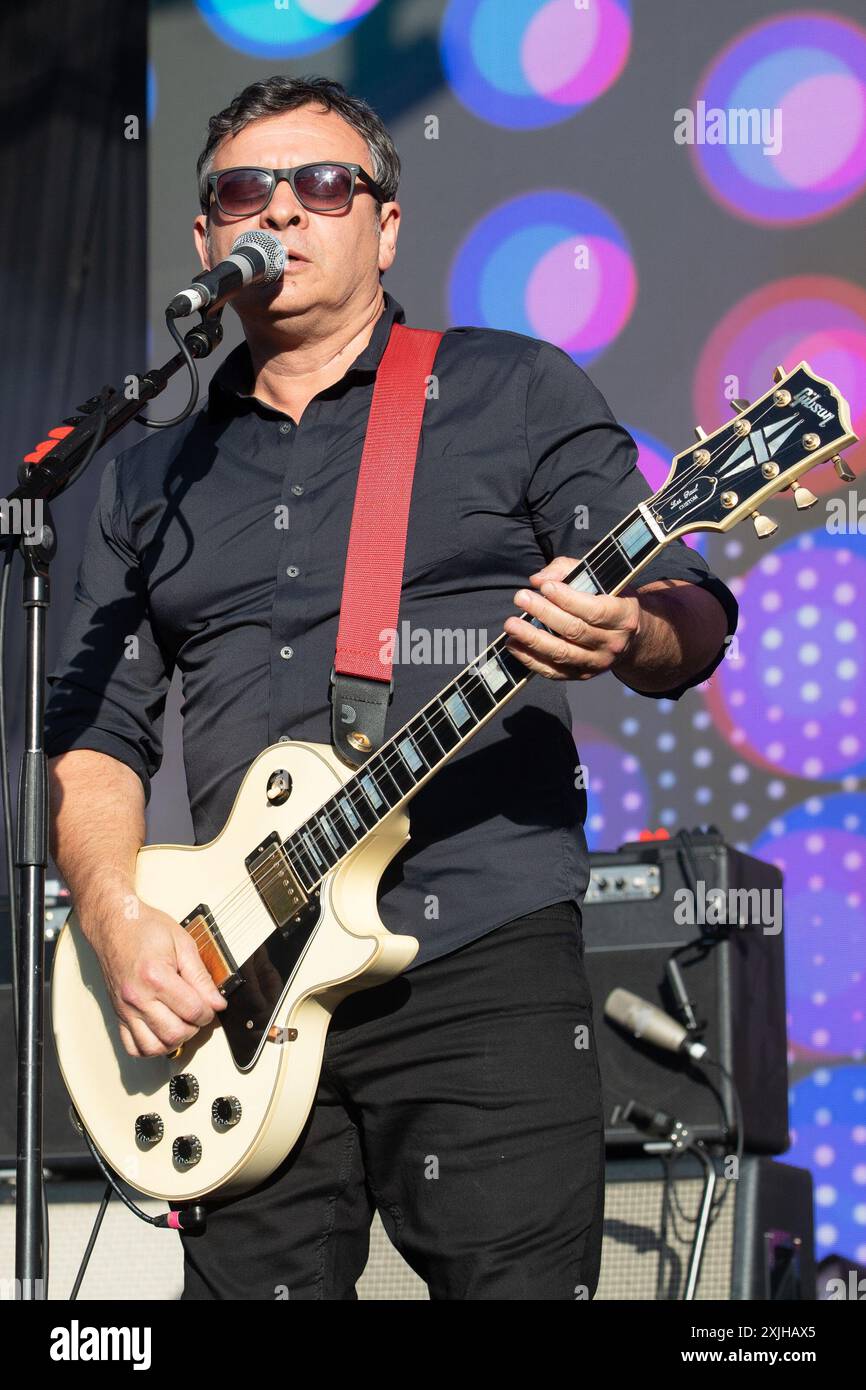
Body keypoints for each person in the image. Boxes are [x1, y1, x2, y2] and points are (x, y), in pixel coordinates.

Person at [45, 75, 737, 1300]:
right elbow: (96, 737)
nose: (285, 211)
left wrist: (626, 625)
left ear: (385, 224)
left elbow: (688, 615)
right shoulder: (142, 475)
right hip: (240, 987)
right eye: (244, 191)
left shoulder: (508, 390)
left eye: (323, 184)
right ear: (207, 237)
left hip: (474, 955)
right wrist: (114, 919)